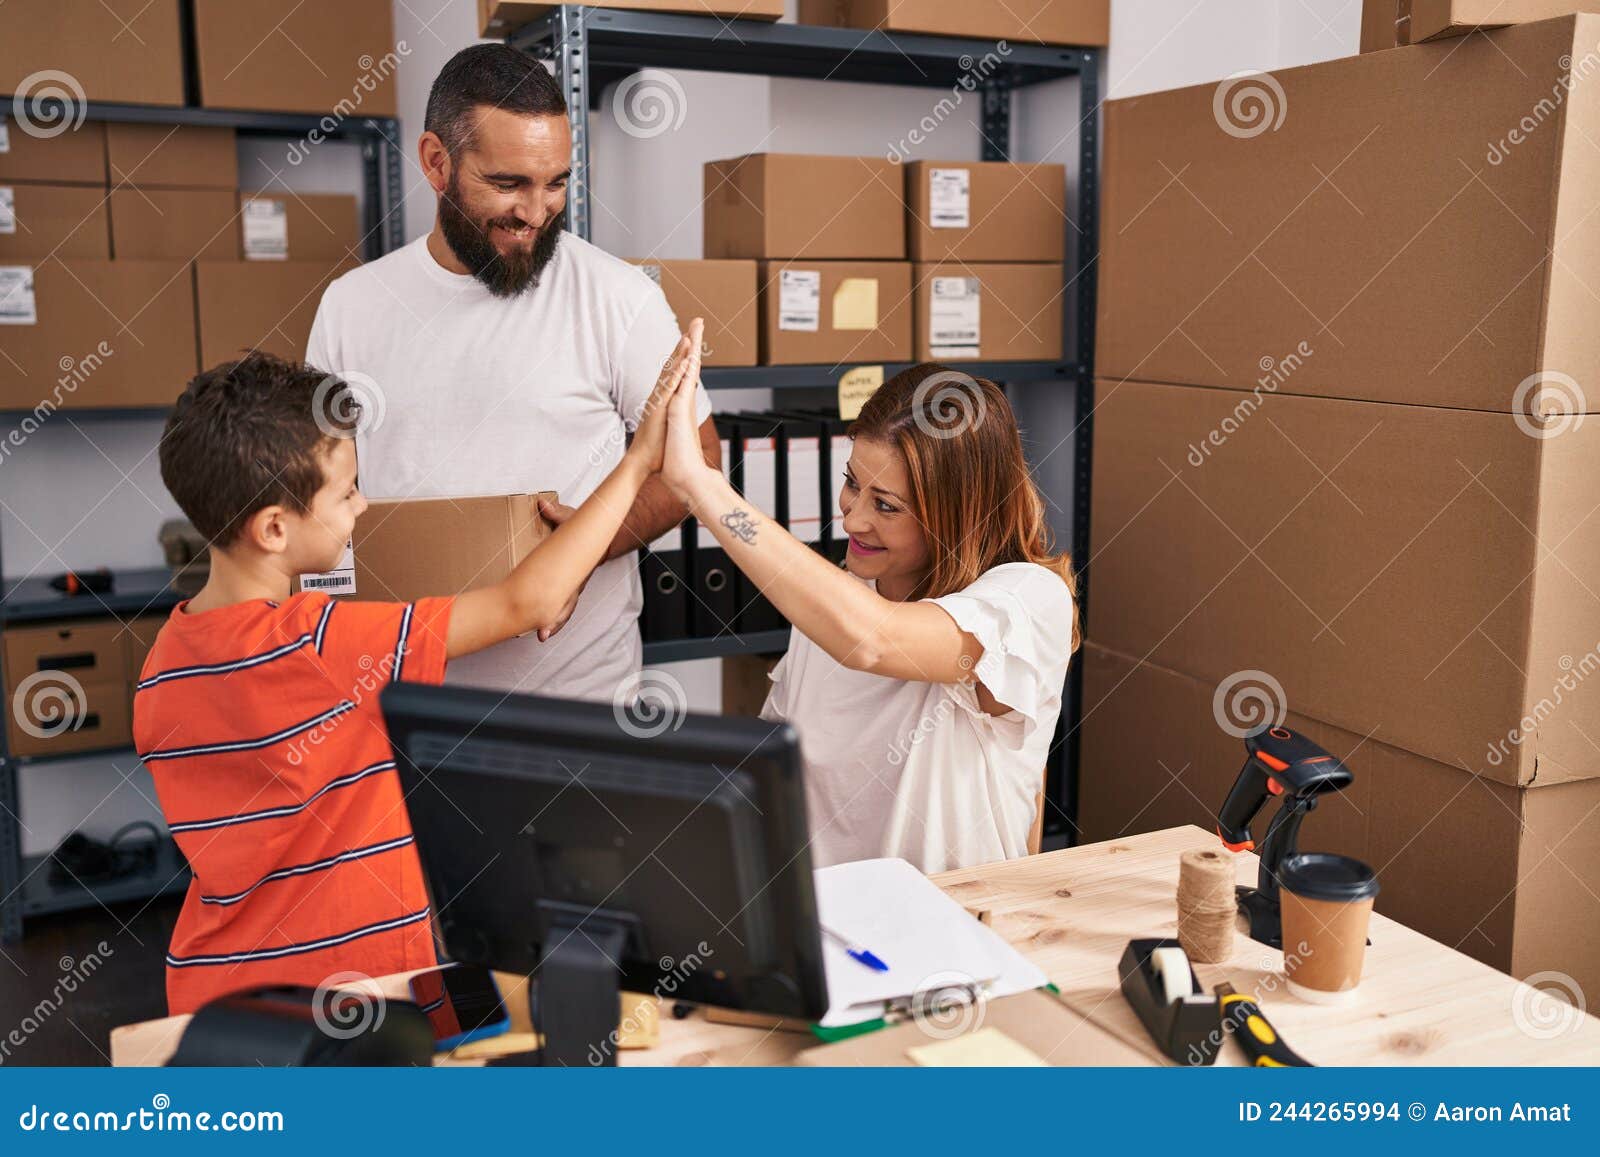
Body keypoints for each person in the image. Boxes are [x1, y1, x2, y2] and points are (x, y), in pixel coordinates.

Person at [133, 326, 700, 1014]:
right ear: (275, 529)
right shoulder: (319, 643)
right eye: (348, 493)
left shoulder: (165, 658)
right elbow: (532, 599)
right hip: (356, 997)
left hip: (214, 992)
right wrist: (640, 457)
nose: (363, 505)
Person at [305, 43, 720, 704]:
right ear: (437, 163)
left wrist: (583, 548)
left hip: (577, 708)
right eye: (508, 184)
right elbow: (316, 490)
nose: (536, 211)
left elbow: (696, 459)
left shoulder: (617, 297)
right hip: (401, 703)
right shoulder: (350, 307)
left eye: (555, 181)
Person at [659, 364, 1078, 874]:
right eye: (852, 483)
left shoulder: (1028, 602)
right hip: (825, 919)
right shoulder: (837, 601)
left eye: (886, 505)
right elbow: (781, 771)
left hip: (951, 926)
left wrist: (701, 488)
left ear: (957, 513)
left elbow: (875, 641)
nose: (853, 518)